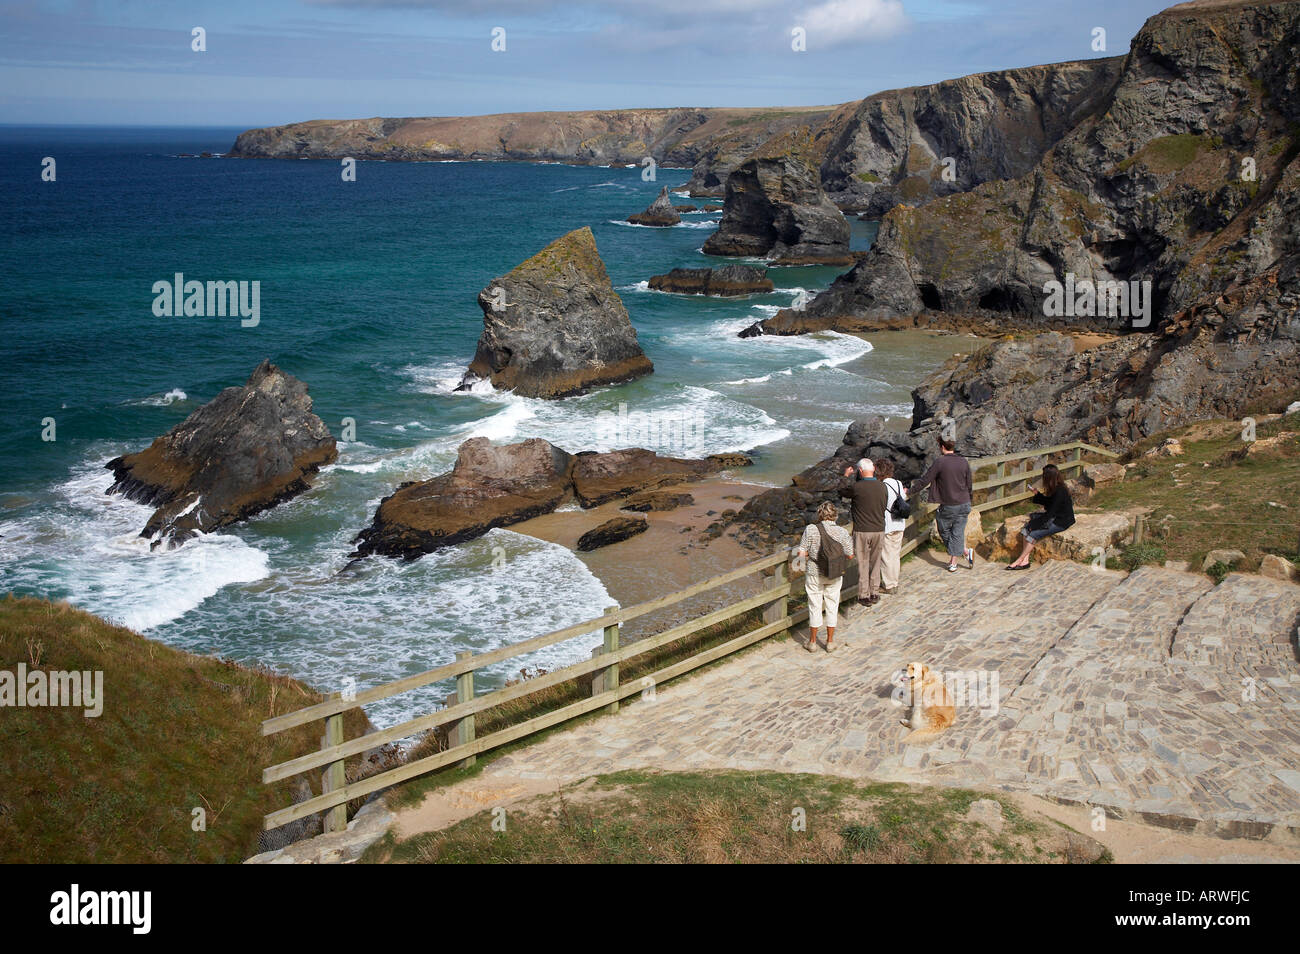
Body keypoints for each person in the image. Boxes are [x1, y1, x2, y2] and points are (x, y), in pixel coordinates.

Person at [796, 500, 855, 652]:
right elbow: (850, 555)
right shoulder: (842, 532)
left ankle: (812, 642)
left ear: (820, 515)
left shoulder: (811, 529)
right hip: (834, 573)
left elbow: (801, 553)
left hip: (814, 572)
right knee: (832, 605)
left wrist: (809, 554)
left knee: (814, 605)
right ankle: (830, 642)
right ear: (835, 515)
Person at [911, 436, 974, 573]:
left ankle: (954, 562)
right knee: (957, 532)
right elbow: (969, 483)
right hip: (965, 502)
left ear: (942, 447)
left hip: (950, 504)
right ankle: (964, 552)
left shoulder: (940, 462)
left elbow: (925, 480)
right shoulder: (963, 461)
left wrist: (910, 491)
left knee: (944, 529)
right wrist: (970, 499)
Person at [839, 457, 888, 607]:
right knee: (875, 562)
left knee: (863, 563)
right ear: (873, 470)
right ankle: (874, 592)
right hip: (879, 529)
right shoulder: (882, 487)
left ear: (860, 471)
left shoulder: (857, 487)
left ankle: (864, 595)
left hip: (862, 530)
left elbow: (842, 490)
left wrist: (846, 476)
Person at [1007, 463, 1075, 570]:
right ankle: (1025, 561)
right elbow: (1049, 503)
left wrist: (1034, 525)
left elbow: (1050, 513)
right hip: (1055, 517)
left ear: (1048, 477)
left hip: (1061, 521)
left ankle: (1019, 559)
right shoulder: (1056, 488)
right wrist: (1037, 494)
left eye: (1044, 476)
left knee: (1033, 534)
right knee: (1026, 529)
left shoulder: (1060, 491)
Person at [876, 458, 908, 594]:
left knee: (887, 556)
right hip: (900, 523)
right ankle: (894, 582)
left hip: (888, 525)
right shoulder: (898, 483)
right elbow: (903, 498)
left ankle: (889, 586)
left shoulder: (881, 486)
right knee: (895, 554)